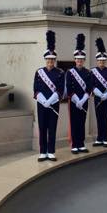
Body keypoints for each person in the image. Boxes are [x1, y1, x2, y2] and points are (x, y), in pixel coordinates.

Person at [34, 31, 63, 161]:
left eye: (52, 59)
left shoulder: (60, 73)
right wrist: (43, 100)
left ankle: (51, 151)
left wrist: (51, 100)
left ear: (55, 60)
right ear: (45, 60)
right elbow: (35, 89)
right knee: (42, 127)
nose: (50, 61)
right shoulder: (39, 72)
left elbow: (61, 90)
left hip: (54, 104)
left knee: (52, 127)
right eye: (48, 59)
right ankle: (42, 151)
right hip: (41, 104)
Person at [67, 34, 92, 154]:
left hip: (84, 101)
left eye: (82, 59)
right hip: (73, 101)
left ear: (84, 60)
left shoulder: (88, 73)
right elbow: (69, 88)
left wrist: (83, 100)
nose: (80, 61)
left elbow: (89, 88)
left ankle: (81, 144)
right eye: (78, 59)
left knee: (82, 122)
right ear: (75, 60)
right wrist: (77, 100)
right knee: (74, 122)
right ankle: (74, 144)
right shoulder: (70, 72)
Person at [90, 38, 107, 147]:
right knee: (98, 117)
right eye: (100, 61)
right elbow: (91, 84)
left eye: (103, 61)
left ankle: (105, 139)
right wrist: (99, 94)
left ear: (105, 61)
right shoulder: (93, 71)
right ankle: (99, 138)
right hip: (98, 97)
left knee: (105, 118)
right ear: (97, 61)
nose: (101, 62)